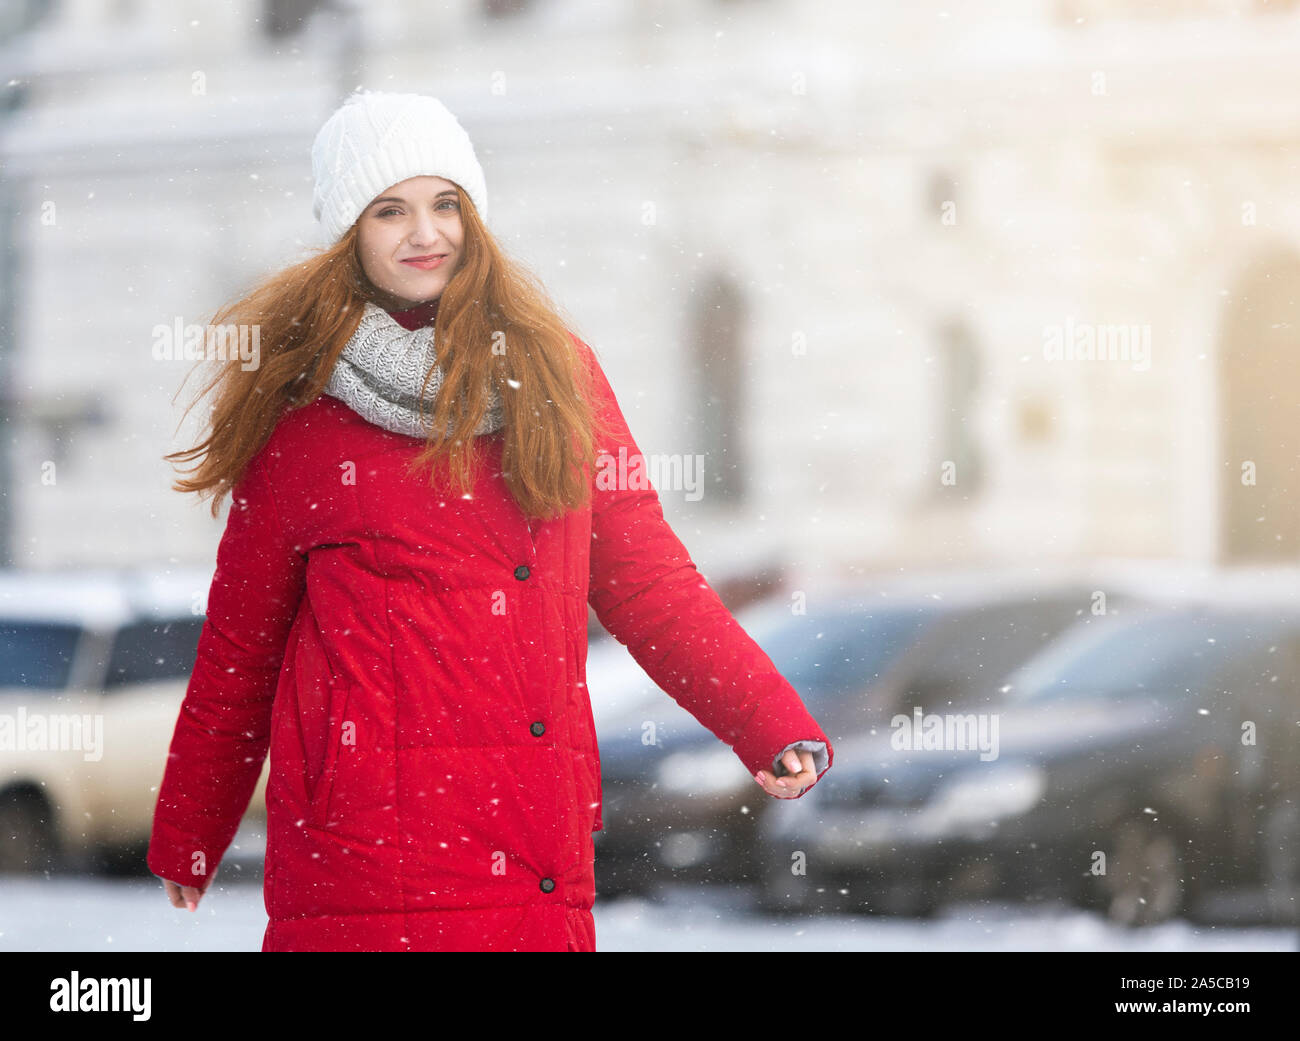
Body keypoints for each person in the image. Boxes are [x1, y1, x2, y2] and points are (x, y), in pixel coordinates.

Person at [147, 89, 834, 951]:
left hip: (529, 844)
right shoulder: (304, 418)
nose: (424, 232)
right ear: (350, 234)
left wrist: (765, 718)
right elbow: (239, 651)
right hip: (360, 860)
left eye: (445, 204)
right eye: (389, 209)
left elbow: (651, 585)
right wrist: (191, 829)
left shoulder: (557, 375)